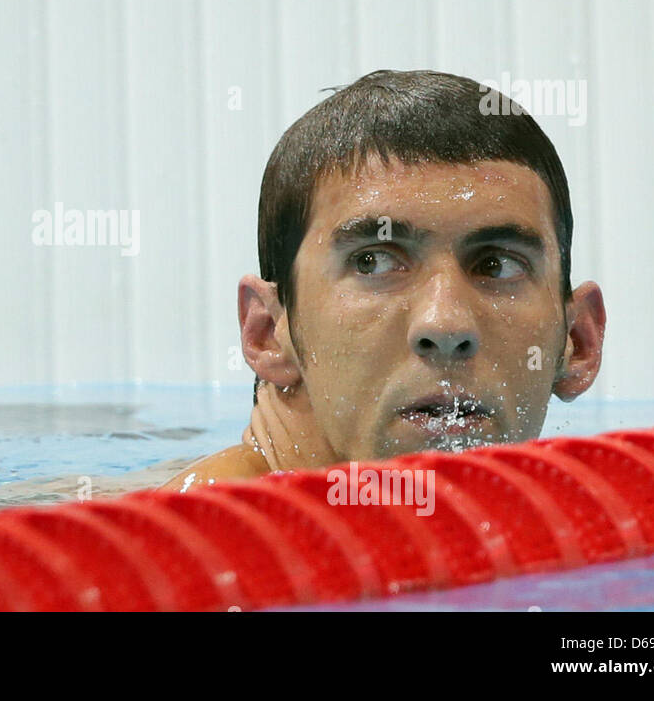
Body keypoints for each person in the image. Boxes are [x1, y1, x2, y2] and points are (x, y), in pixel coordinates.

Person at [161, 69, 606, 492]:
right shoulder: (181, 544)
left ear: (578, 341)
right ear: (266, 334)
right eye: (372, 262)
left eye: (497, 266)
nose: (446, 325)